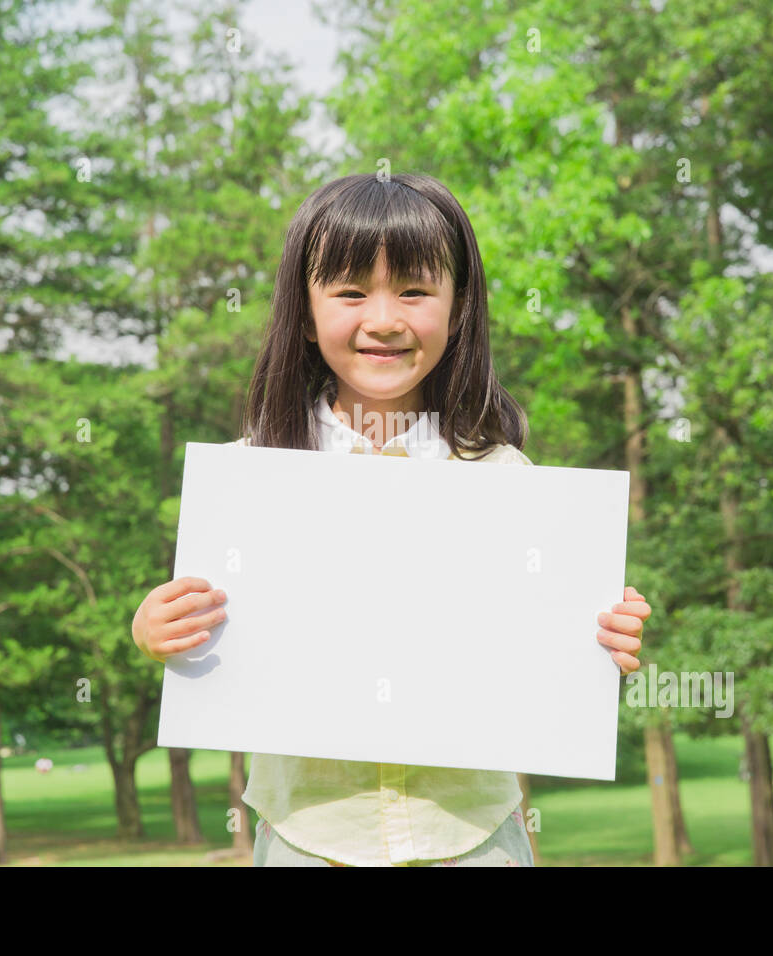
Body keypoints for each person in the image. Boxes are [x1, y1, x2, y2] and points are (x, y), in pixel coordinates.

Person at [131, 172, 652, 866]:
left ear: (459, 307)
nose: (383, 318)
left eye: (414, 290)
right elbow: (208, 635)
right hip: (306, 837)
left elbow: (545, 662)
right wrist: (154, 630)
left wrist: (599, 640)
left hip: (471, 837)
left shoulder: (504, 479)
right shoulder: (249, 479)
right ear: (305, 313)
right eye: (349, 292)